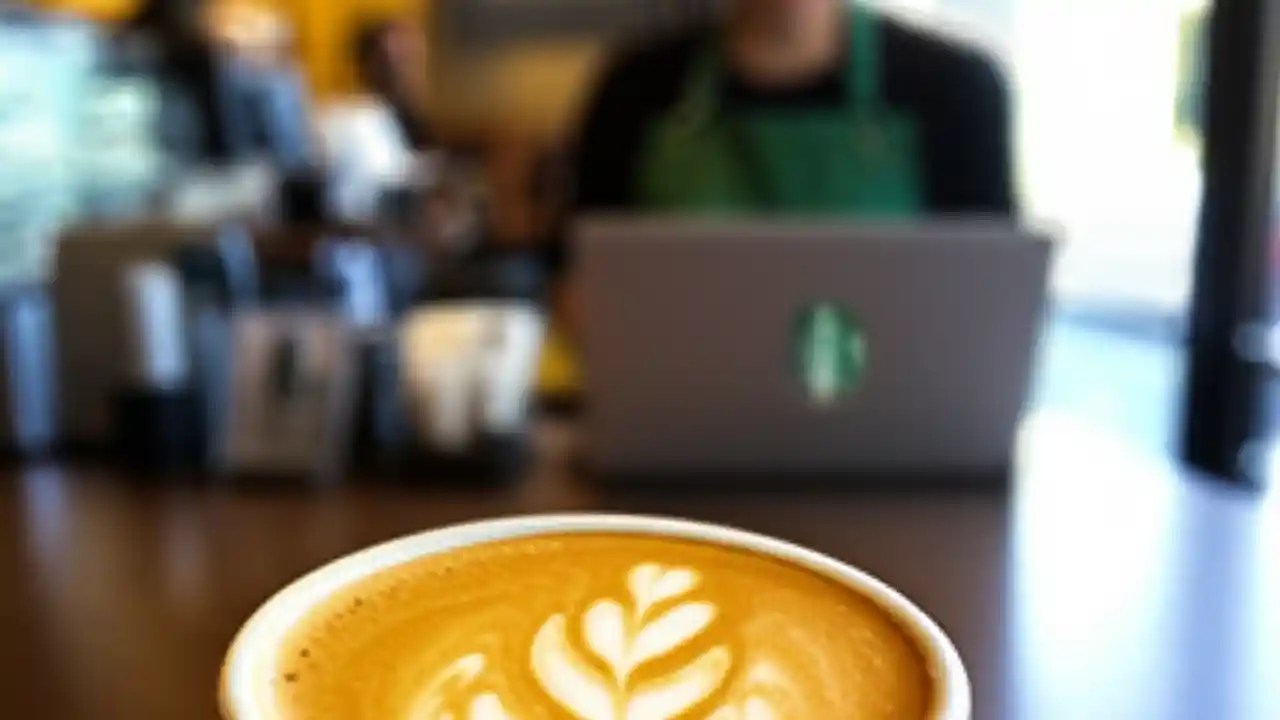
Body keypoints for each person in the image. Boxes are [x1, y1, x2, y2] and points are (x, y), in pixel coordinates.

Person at [574, 0, 1014, 218]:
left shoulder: (955, 88)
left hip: (907, 397)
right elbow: (574, 283)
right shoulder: (635, 88)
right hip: (671, 396)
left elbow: (997, 297)